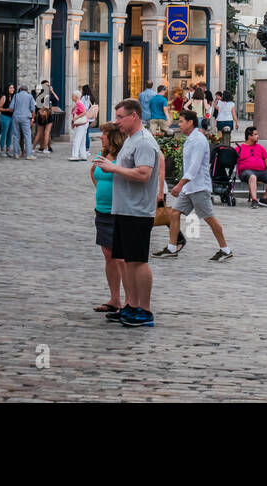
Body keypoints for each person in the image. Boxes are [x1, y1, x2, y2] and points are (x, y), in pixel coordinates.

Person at [96, 99, 161, 327]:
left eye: (120, 117)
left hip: (137, 210)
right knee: (128, 260)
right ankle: (131, 305)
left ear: (134, 116)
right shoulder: (131, 140)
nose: (117, 122)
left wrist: (113, 168)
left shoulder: (144, 142)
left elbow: (144, 174)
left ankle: (145, 309)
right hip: (124, 209)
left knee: (138, 261)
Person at [154, 108, 233, 261]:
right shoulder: (190, 139)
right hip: (189, 187)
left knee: (209, 218)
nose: (179, 125)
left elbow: (194, 168)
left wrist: (179, 185)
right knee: (174, 213)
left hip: (199, 187)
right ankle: (172, 248)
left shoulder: (198, 140)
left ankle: (225, 249)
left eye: (181, 122)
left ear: (190, 122)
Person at [90, 121, 127, 314]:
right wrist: (101, 190)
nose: (101, 136)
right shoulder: (103, 155)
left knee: (121, 257)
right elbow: (93, 172)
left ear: (113, 137)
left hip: (119, 211)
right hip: (102, 210)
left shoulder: (124, 157)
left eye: (104, 134)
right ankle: (114, 299)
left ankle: (129, 301)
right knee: (108, 254)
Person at [235, 126, 267, 208]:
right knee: (252, 176)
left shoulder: (260, 147)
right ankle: (254, 200)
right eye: (255, 134)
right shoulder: (239, 148)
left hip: (261, 172)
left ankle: (264, 198)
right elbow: (232, 160)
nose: (258, 136)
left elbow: (266, 159)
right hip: (246, 172)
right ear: (249, 136)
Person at [9, 82, 36, 160]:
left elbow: (11, 108)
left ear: (20, 89)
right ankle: (28, 155)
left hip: (16, 117)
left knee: (16, 136)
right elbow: (33, 109)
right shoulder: (30, 96)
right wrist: (32, 119)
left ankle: (16, 154)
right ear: (27, 90)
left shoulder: (16, 96)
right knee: (27, 136)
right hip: (26, 118)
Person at [33, 82, 57, 154]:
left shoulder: (39, 97)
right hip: (48, 116)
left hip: (40, 116)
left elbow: (36, 108)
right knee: (47, 132)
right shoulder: (48, 97)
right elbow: (56, 100)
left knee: (39, 133)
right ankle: (45, 148)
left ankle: (33, 148)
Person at [69, 91, 91, 161]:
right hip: (83, 124)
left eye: (72, 96)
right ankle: (83, 155)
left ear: (75, 97)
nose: (71, 97)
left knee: (77, 140)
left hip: (81, 124)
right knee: (82, 140)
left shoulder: (79, 103)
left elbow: (84, 112)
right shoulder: (78, 103)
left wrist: (76, 118)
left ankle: (75, 155)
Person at [0, 83, 15, 156]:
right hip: (5, 117)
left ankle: (8, 150)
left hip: (12, 117)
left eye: (13, 88)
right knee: (4, 133)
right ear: (7, 89)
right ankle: (2, 150)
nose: (12, 89)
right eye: (11, 88)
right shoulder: (4, 97)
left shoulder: (13, 97)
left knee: (10, 134)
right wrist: (7, 110)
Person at [81, 84, 96, 156]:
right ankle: (86, 149)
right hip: (91, 118)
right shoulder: (92, 97)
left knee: (85, 134)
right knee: (87, 133)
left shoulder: (85, 97)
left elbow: (84, 108)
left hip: (86, 117)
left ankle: (86, 149)